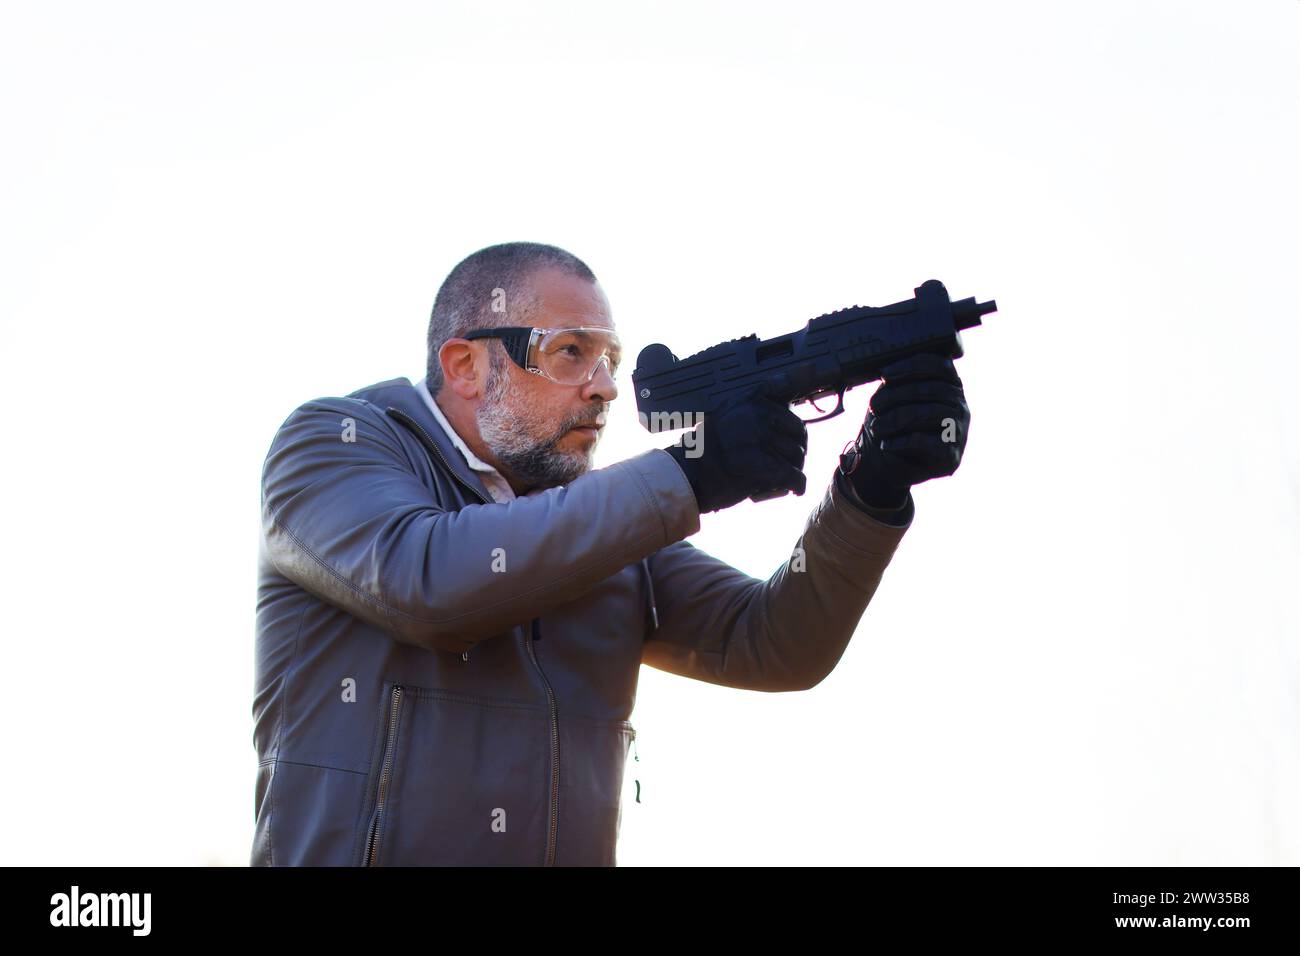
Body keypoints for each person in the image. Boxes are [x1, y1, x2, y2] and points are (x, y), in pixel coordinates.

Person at [250, 241, 971, 866]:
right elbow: (423, 582)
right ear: (467, 365)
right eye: (571, 352)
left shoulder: (602, 525)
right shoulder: (332, 443)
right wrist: (693, 474)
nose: (603, 388)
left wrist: (869, 489)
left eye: (610, 361)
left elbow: (774, 645)